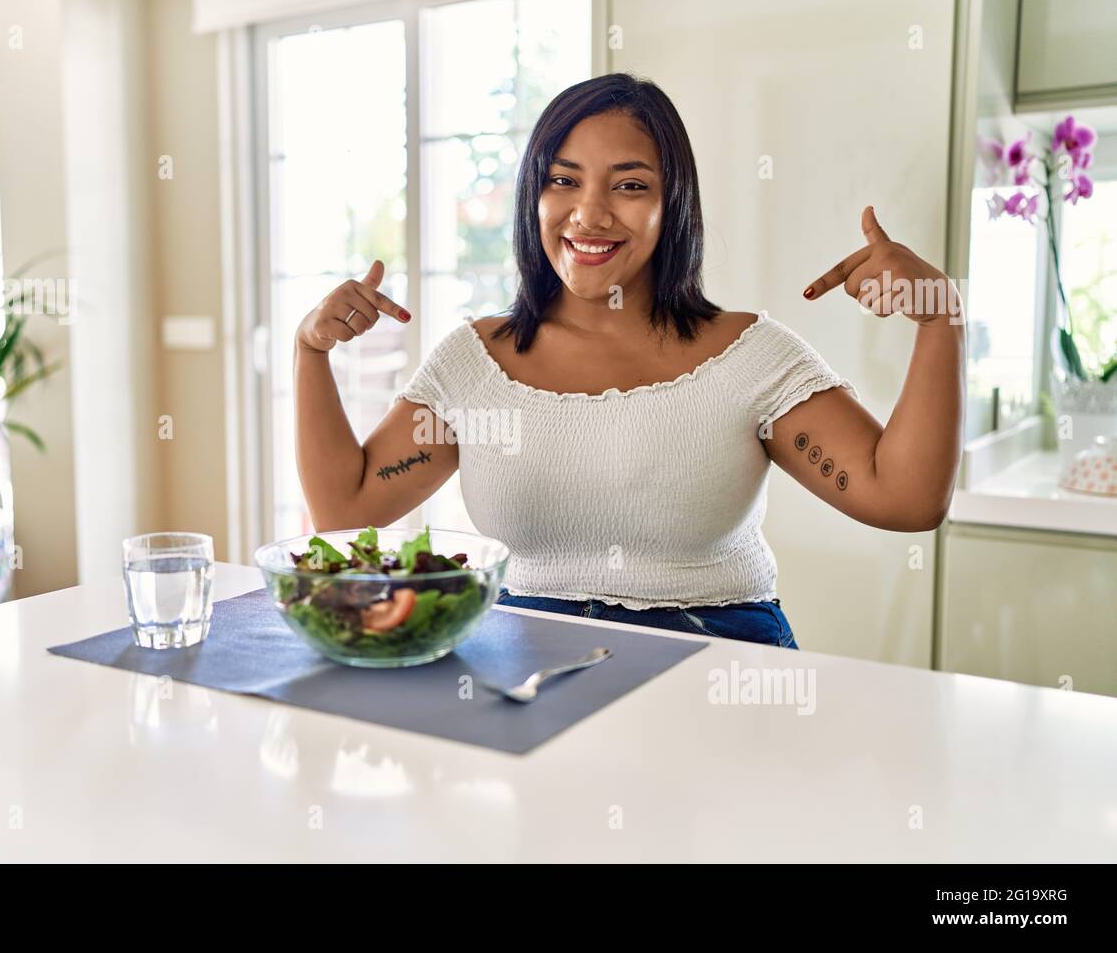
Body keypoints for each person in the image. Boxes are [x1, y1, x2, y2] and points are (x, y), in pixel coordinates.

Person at [292, 73, 965, 651]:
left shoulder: (750, 356)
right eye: (563, 180)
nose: (588, 214)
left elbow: (905, 501)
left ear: (673, 205)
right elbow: (345, 509)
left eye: (630, 185)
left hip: (715, 658)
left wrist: (940, 319)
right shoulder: (475, 362)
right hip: (529, 671)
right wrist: (310, 351)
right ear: (536, 196)